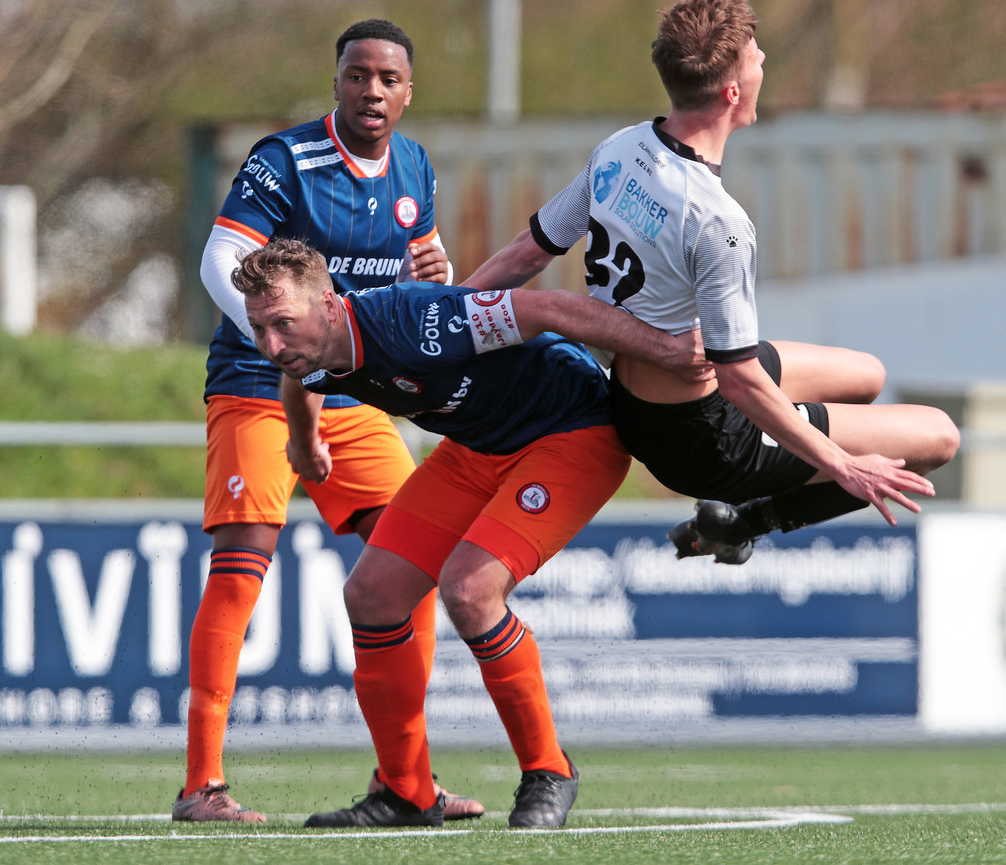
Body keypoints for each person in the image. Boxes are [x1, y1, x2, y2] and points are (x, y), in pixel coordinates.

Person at [464, 0, 959, 563]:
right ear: (732, 92)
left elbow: (529, 250)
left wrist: (443, 314)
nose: (764, 62)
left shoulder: (620, 149)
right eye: (755, 55)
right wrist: (844, 467)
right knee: (939, 436)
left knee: (866, 376)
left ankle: (772, 494)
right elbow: (739, 382)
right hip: (705, 440)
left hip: (632, 399)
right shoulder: (720, 222)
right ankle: (747, 522)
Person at [233, 237, 707, 828]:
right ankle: (406, 792)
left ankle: (549, 771)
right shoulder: (313, 351)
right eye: (258, 329)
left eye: (283, 324)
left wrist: (665, 350)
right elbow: (301, 383)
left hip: (571, 432)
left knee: (470, 592)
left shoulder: (413, 320)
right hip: (479, 448)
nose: (272, 345)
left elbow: (549, 309)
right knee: (371, 596)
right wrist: (303, 447)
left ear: (330, 305)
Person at [178, 18, 484, 823]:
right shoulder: (286, 162)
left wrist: (441, 271)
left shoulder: (413, 166)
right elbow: (220, 259)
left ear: (408, 91)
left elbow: (430, 269)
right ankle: (201, 785)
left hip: (354, 395)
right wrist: (279, 345)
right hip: (255, 384)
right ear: (337, 81)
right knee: (243, 565)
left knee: (411, 563)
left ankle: (407, 781)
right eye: (357, 76)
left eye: (387, 79)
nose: (371, 91)